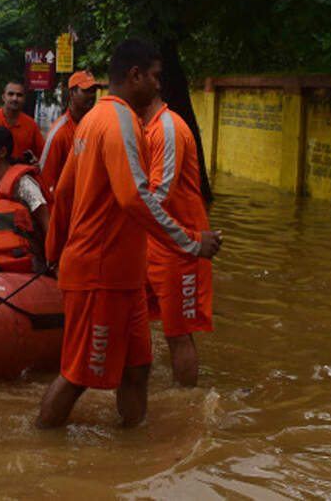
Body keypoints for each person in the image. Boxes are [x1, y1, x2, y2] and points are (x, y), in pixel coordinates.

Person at [35, 40, 223, 429]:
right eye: (155, 76)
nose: (159, 85)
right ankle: (41, 447)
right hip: (100, 274)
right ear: (135, 76)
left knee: (138, 368)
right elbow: (136, 197)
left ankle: (134, 448)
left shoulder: (91, 121)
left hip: (124, 277)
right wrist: (192, 241)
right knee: (78, 376)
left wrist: (55, 251)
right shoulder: (118, 121)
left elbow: (65, 192)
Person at [137, 63, 215, 387]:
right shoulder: (145, 129)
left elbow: (159, 193)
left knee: (179, 334)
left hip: (179, 247)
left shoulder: (168, 128)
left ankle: (187, 405)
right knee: (137, 324)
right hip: (150, 243)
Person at [0, 126, 50, 272]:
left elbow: (46, 221)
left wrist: (52, 259)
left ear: (2, 152)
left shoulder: (23, 183)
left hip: (24, 259)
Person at [39, 71, 105, 193]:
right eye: (86, 91)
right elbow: (45, 178)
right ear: (72, 93)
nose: (91, 95)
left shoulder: (99, 125)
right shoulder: (59, 133)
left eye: (93, 91)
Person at [0, 81, 45, 164]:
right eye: (11, 94)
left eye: (19, 95)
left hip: (21, 171)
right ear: (3, 97)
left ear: (24, 99)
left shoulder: (31, 125)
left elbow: (43, 155)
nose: (15, 98)